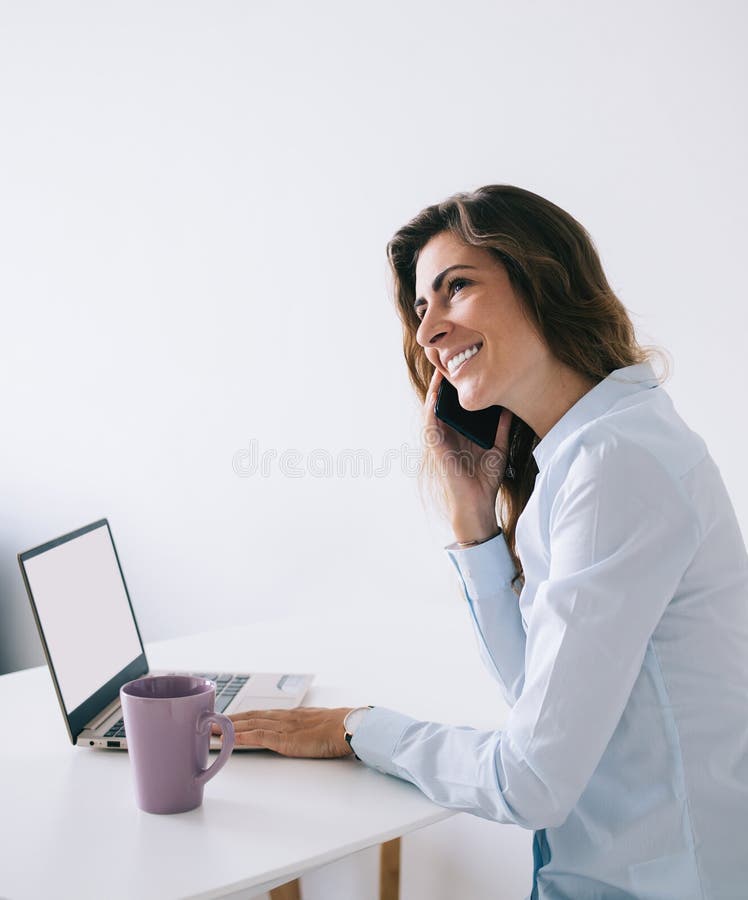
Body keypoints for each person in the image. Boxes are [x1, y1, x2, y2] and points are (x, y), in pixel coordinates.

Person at [224, 186, 748, 899]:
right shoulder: (593, 452)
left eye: (456, 288)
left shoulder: (615, 465)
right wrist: (472, 518)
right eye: (419, 308)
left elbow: (530, 781)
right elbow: (534, 695)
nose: (427, 331)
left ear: (543, 279)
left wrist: (354, 729)